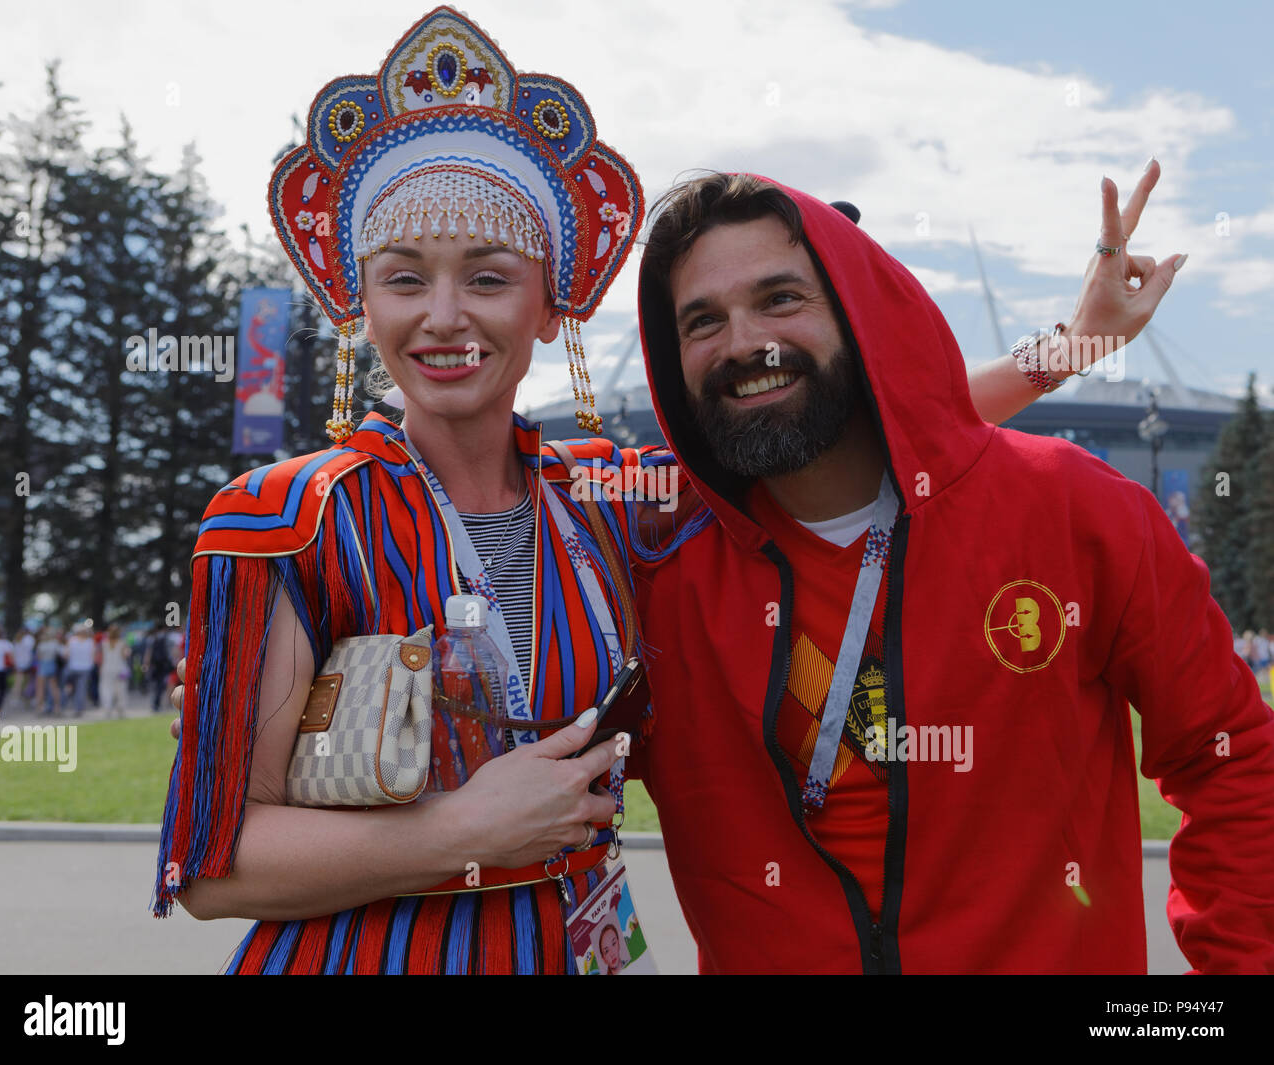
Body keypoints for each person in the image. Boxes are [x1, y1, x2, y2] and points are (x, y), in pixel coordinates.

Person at [160, 8, 1172, 976]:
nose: (445, 315)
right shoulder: (287, 521)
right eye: (404, 278)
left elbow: (864, 417)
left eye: (488, 276)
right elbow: (208, 869)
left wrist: (1072, 345)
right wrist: (457, 832)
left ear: (552, 305)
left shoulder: (604, 504)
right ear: (360, 304)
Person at [624, 171, 1274, 974]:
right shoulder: (646, 556)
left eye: (781, 298)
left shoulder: (1073, 512)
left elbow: (1230, 759)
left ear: (858, 312)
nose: (742, 343)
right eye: (702, 320)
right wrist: (1066, 347)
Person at [98, 623, 130, 719]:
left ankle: (107, 708)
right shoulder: (122, 643)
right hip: (120, 669)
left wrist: (100, 668)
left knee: (106, 689)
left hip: (106, 668)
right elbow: (125, 656)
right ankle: (121, 708)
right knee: (121, 690)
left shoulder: (104, 643)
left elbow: (101, 658)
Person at [62, 624, 95, 716]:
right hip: (85, 668)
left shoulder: (71, 641)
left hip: (73, 667)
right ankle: (78, 708)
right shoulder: (90, 642)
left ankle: (63, 704)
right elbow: (92, 655)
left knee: (68, 686)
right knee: (81, 689)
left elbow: (65, 655)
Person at [34, 626, 63, 716]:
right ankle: (57, 708)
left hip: (43, 665)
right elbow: (61, 654)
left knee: (40, 688)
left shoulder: (41, 644)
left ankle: (40, 708)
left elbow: (38, 657)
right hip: (52, 664)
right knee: (54, 688)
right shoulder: (55, 644)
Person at [10, 627, 36, 711]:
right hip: (28, 663)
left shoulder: (16, 640)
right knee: (27, 682)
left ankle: (15, 699)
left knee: (18, 682)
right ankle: (26, 698)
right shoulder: (29, 639)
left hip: (18, 663)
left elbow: (13, 652)